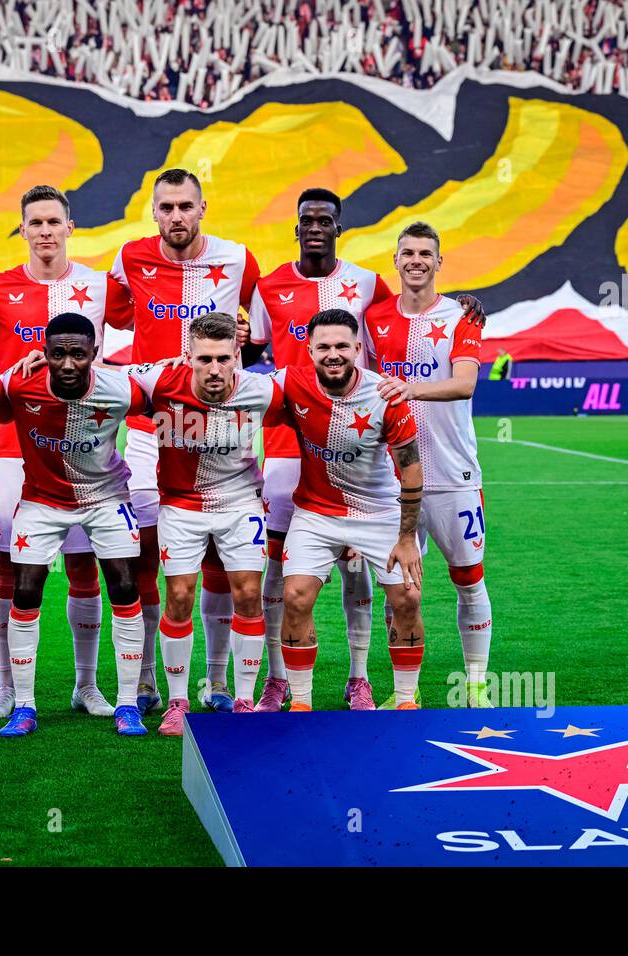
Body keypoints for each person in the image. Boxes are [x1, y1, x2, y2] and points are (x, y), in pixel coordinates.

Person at [0, 185, 136, 722]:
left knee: (85, 569)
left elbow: (154, 328)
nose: (44, 231)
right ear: (21, 230)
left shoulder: (101, 285)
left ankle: (87, 686)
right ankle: (6, 689)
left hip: (86, 450)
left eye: (53, 221)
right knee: (9, 571)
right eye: (34, 222)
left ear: (71, 227)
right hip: (15, 451)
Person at [108, 168, 261, 715]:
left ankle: (219, 683)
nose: (176, 216)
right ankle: (149, 680)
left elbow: (266, 328)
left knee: (227, 563)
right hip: (154, 431)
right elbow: (94, 317)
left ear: (203, 209)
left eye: (185, 206)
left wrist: (250, 337)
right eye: (166, 206)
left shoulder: (238, 258)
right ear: (154, 211)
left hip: (224, 428)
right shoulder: (128, 258)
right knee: (149, 556)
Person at [245, 187, 393, 711]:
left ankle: (358, 677)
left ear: (338, 227)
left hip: (353, 446)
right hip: (288, 446)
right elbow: (252, 351)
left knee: (356, 564)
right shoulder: (269, 286)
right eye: (306, 219)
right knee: (278, 568)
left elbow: (395, 332)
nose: (314, 227)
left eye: (324, 220)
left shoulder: (368, 285)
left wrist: (461, 303)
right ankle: (278, 678)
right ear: (296, 227)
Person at [0, 313, 148, 737]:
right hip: (42, 501)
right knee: (24, 591)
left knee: (125, 587)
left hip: (107, 498)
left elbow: (168, 386)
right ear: (44, 354)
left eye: (79, 354)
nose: (68, 364)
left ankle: (127, 704)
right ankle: (24, 704)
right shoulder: (19, 383)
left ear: (94, 354)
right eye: (57, 354)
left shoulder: (119, 388)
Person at [126, 312, 285, 731]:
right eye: (203, 360)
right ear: (187, 357)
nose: (214, 369)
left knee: (248, 593)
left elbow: (321, 392)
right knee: (179, 596)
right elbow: (94, 378)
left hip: (240, 504)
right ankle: (178, 702)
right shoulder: (158, 379)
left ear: (238, 355)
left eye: (223, 358)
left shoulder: (262, 389)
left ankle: (245, 699)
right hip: (180, 506)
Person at [368, 222, 493, 709]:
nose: (416, 260)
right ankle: (406, 693)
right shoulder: (373, 319)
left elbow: (464, 384)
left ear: (439, 262)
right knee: (400, 589)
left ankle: (477, 686)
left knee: (468, 578)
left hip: (454, 475)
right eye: (407, 253)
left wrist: (407, 387)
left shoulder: (463, 316)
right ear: (395, 261)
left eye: (425, 253)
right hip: (392, 479)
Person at [275, 309, 426, 711]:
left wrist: (407, 538)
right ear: (309, 350)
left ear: (358, 348)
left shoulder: (384, 395)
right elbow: (237, 393)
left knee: (408, 598)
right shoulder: (291, 383)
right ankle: (302, 704)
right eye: (323, 346)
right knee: (295, 597)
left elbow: (411, 471)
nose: (333, 354)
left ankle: (407, 700)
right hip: (316, 513)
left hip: (379, 513)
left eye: (342, 345)